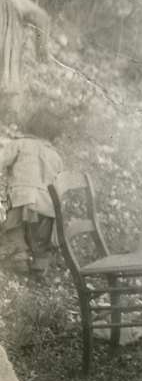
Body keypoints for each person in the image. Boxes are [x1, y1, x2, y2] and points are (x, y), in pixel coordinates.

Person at [0, 119, 65, 283]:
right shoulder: (54, 154)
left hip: (21, 195)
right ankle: (39, 267)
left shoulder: (19, 144)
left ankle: (19, 257)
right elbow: (59, 178)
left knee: (14, 227)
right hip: (46, 202)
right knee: (41, 236)